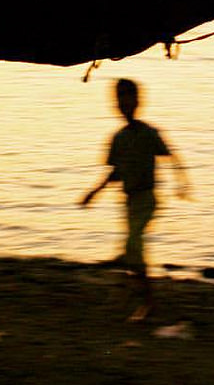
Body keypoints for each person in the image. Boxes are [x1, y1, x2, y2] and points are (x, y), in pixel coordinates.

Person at [79, 78, 188, 320]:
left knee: (133, 246)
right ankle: (140, 294)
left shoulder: (149, 133)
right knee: (135, 251)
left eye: (128, 98)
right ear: (116, 104)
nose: (124, 104)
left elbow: (172, 157)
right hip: (129, 202)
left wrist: (183, 183)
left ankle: (145, 301)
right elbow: (115, 173)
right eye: (120, 100)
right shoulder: (118, 138)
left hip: (147, 199)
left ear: (138, 102)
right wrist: (93, 193)